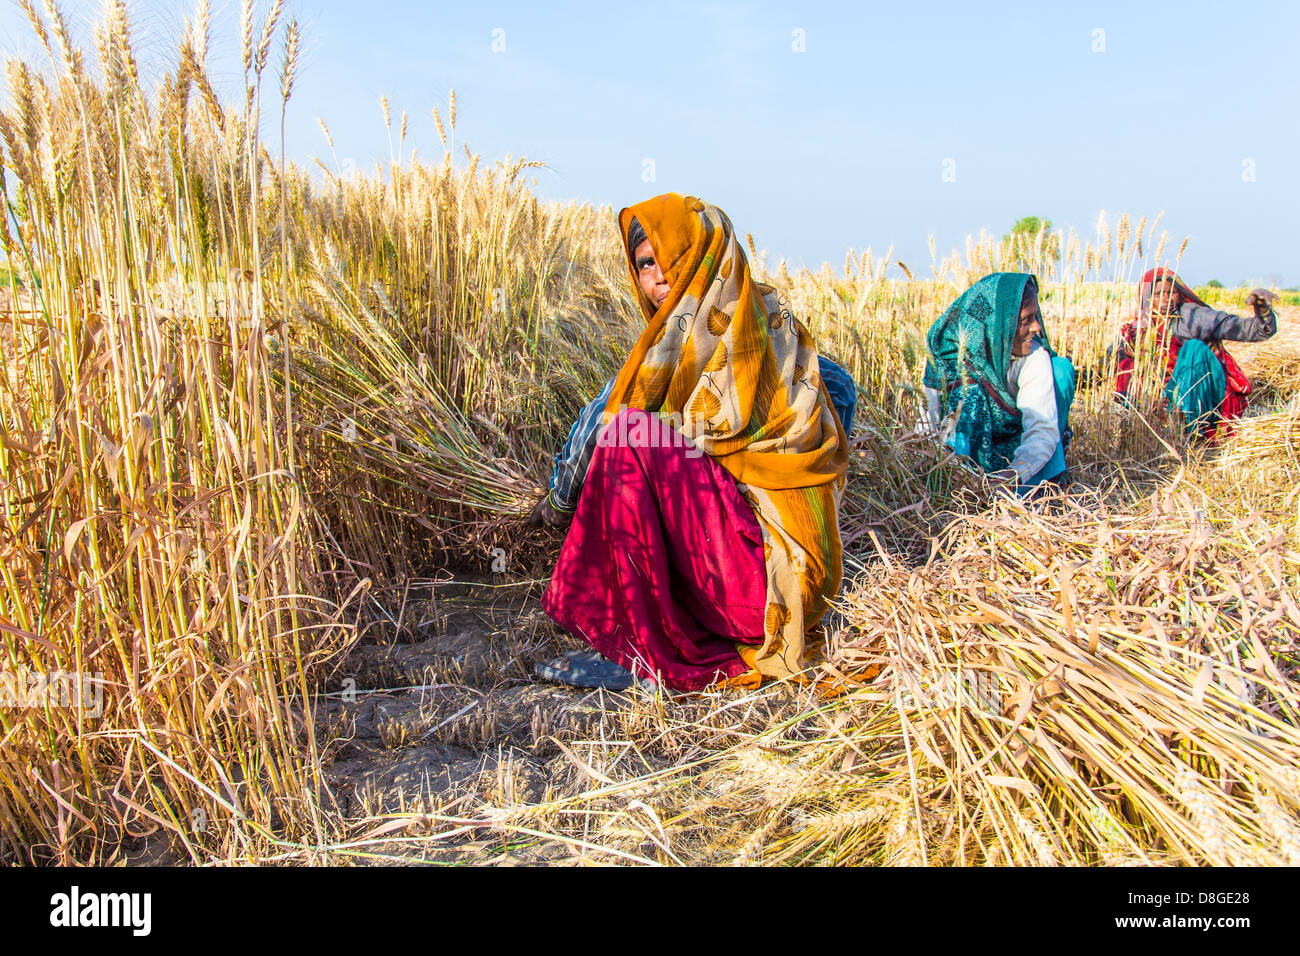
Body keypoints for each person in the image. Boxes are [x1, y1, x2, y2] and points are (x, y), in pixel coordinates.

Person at [527, 193, 852, 692]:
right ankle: (673, 617)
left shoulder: (675, 360)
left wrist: (554, 503)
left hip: (761, 595)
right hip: (802, 587)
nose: (657, 277)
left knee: (629, 435)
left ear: (704, 257)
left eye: (670, 258)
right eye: (644, 265)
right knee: (640, 436)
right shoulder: (775, 327)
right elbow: (843, 393)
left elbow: (604, 421)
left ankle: (638, 649)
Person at [921, 272, 1075, 491]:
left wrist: (1014, 474)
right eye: (1025, 320)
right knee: (969, 396)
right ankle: (962, 487)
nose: (1036, 328)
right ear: (998, 325)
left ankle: (1038, 479)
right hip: (964, 459)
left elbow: (1042, 430)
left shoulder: (1033, 355)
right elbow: (929, 419)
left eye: (1035, 317)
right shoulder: (949, 354)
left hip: (1020, 451)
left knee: (1060, 370)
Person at [1112, 268, 1278, 441]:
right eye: (1158, 294)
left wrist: (1264, 313)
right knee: (1128, 360)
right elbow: (1109, 363)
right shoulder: (1136, 331)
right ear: (1146, 297)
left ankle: (1189, 429)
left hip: (1207, 396)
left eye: (1172, 292)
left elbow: (1244, 329)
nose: (1165, 299)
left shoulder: (1192, 316)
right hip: (1163, 403)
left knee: (1194, 349)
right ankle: (1158, 428)